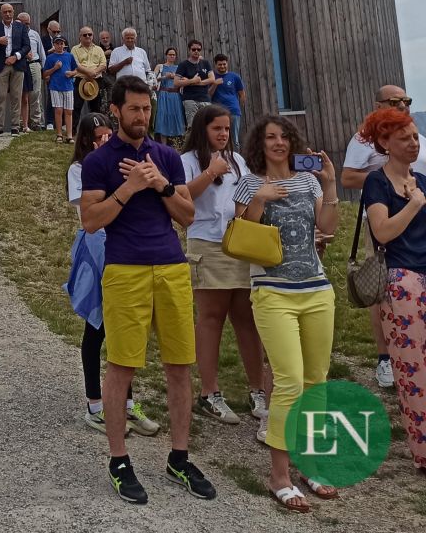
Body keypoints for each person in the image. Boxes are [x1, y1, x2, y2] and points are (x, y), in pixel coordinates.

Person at [79, 76, 214, 506]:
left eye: (147, 109)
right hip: (124, 271)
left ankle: (179, 457)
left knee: (179, 365)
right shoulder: (99, 161)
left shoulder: (166, 157)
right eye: (134, 109)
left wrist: (159, 184)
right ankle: (119, 460)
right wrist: (129, 187)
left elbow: (188, 216)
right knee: (122, 366)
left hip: (171, 267)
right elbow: (90, 221)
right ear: (115, 110)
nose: (142, 117)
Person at [233, 116, 338, 512]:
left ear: (293, 142)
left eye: (284, 137)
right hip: (272, 291)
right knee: (290, 381)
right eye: (270, 138)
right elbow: (244, 235)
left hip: (316, 289)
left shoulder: (309, 181)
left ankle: (310, 464)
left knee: (317, 382)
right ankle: (279, 474)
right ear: (260, 145)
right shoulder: (249, 183)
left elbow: (327, 227)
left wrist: (329, 184)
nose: (278, 143)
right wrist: (261, 198)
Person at [67, 114, 159, 437]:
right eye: (100, 137)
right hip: (95, 250)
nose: (107, 141)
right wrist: (102, 163)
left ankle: (126, 404)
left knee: (124, 328)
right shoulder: (80, 169)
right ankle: (95, 405)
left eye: (110, 136)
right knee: (97, 326)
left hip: (121, 248)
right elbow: (91, 210)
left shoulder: (122, 164)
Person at [182, 105, 265, 426]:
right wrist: (211, 172)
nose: (223, 134)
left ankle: (257, 390)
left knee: (247, 318)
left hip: (240, 243)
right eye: (217, 128)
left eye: (227, 129)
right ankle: (210, 393)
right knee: (211, 318)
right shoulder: (187, 161)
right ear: (202, 130)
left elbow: (247, 199)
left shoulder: (238, 160)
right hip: (206, 242)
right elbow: (182, 197)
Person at [341, 84, 426, 389]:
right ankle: (384, 358)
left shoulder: (416, 134)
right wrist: (389, 177)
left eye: (407, 100)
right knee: (380, 285)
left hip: (420, 224)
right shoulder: (364, 139)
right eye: (395, 101)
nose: (402, 104)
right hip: (384, 219)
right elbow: (348, 177)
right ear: (378, 104)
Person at [362, 108, 426, 473]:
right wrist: (414, 204)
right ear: (385, 143)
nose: (413, 143)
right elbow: (382, 232)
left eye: (415, 137)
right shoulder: (378, 182)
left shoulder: (425, 180)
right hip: (401, 280)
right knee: (412, 368)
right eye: (405, 138)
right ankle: (422, 451)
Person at [0, 3, 30, 136]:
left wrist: (16, 56)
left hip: (17, 64)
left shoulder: (21, 27)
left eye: (10, 11)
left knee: (16, 96)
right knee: (0, 96)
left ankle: (15, 126)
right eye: (5, 12)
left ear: (13, 12)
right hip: (1, 65)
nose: (8, 14)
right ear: (1, 13)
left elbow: (27, 46)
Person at [70, 26, 106, 129]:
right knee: (76, 106)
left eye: (89, 34)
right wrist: (89, 72)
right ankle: (72, 131)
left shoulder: (99, 49)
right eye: (84, 35)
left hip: (96, 80)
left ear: (93, 36)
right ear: (80, 37)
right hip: (80, 80)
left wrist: (94, 72)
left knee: (96, 108)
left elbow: (103, 64)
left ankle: (96, 130)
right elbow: (75, 64)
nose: (87, 36)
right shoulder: (75, 49)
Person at [44, 35, 78, 143]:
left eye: (61, 43)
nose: (59, 45)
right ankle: (59, 134)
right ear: (54, 45)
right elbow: (45, 74)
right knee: (58, 110)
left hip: (68, 86)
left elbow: (76, 70)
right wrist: (55, 68)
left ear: (64, 44)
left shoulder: (69, 56)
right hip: (55, 86)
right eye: (57, 43)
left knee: (68, 111)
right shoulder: (50, 58)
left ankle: (69, 135)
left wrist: (71, 73)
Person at [174, 40, 214, 129]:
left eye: (199, 49)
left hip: (205, 99)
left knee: (208, 126)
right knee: (192, 127)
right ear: (189, 50)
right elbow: (176, 82)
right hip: (190, 99)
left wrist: (199, 83)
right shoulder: (183, 65)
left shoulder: (205, 63)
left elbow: (212, 79)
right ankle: (192, 143)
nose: (196, 51)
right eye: (194, 49)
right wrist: (192, 81)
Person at [18, 12, 47, 132]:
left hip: (34, 64)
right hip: (20, 64)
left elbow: (41, 51)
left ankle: (36, 122)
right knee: (20, 94)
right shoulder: (15, 34)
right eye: (24, 24)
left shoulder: (34, 34)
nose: (26, 26)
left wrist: (44, 70)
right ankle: (20, 123)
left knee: (35, 93)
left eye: (28, 23)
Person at [210, 54, 245, 147]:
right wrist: (215, 84)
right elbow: (208, 95)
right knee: (219, 138)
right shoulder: (212, 77)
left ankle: (235, 160)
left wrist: (237, 106)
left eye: (224, 64)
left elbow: (242, 94)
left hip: (233, 111)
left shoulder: (235, 77)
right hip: (217, 113)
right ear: (215, 65)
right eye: (220, 64)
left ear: (227, 64)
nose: (222, 66)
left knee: (234, 139)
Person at [153, 48, 185, 143]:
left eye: (173, 55)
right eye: (170, 54)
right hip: (163, 94)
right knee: (163, 117)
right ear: (166, 55)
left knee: (176, 116)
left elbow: (184, 80)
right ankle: (164, 145)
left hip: (175, 95)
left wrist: (175, 77)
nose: (172, 56)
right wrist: (165, 77)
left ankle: (177, 145)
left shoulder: (179, 67)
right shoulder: (160, 66)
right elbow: (153, 79)